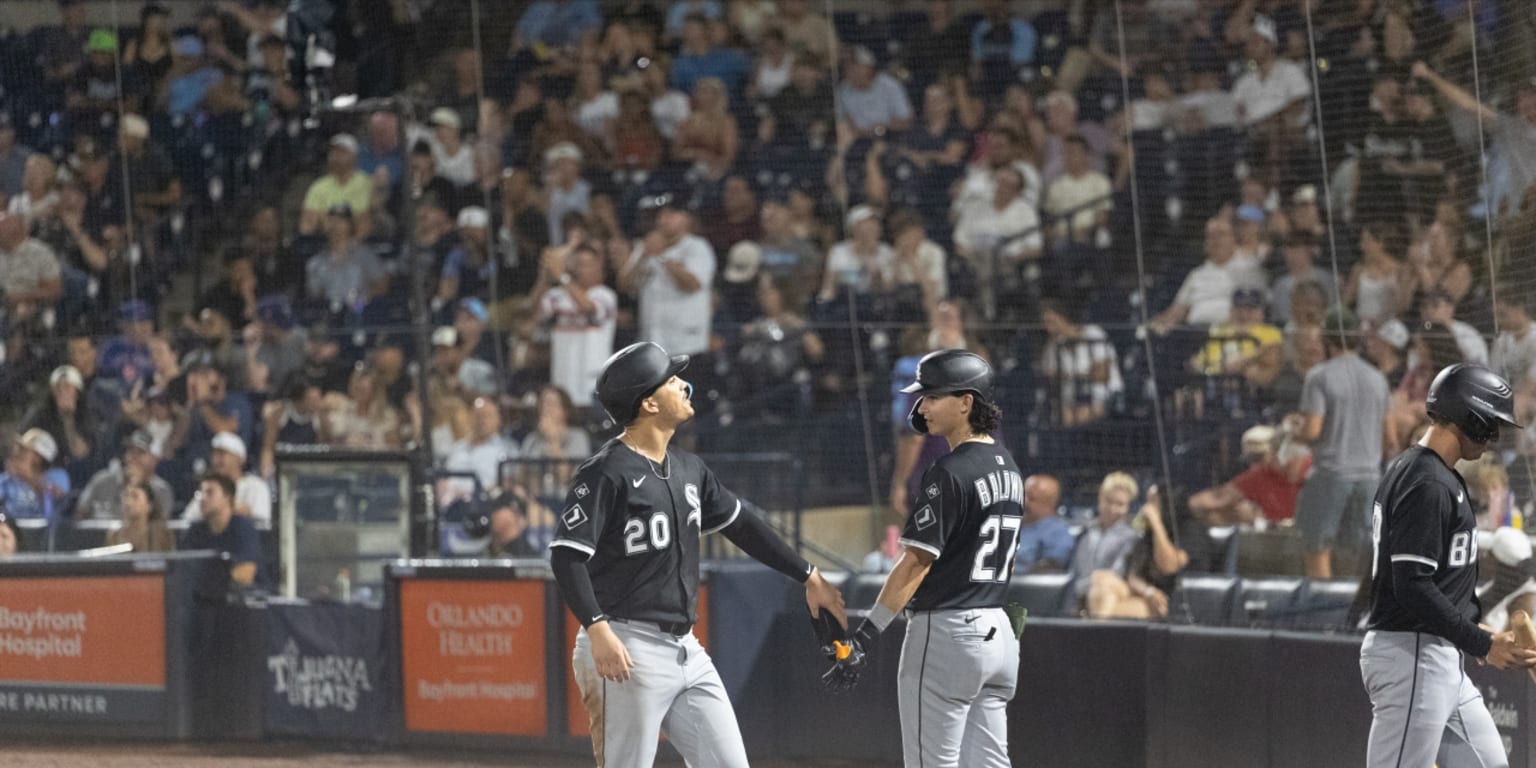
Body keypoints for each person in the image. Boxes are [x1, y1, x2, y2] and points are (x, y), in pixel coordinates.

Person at [551, 341, 846, 768]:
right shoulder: (604, 472)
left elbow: (742, 525)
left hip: (685, 647)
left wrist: (809, 575)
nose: (684, 386)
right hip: (626, 644)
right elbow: (566, 556)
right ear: (649, 403)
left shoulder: (689, 468)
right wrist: (597, 629)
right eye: (672, 381)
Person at [820, 350, 1021, 768]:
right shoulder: (1011, 468)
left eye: (932, 397)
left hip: (949, 632)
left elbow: (914, 564)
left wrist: (864, 636)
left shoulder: (952, 470)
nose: (921, 406)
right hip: (999, 633)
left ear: (966, 402)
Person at [1362, 363, 1536, 766]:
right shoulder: (1427, 481)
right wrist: (1481, 642)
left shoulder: (1429, 473)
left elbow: (1439, 583)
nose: (1493, 437)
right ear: (1469, 416)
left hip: (1436, 654)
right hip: (1412, 652)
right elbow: (1412, 584)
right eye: (1490, 423)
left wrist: (1478, 631)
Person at [1292, 308, 1394, 579]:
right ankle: (1350, 615)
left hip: (1330, 475)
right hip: (1370, 479)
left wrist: (1292, 432)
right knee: (1357, 554)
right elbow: (1391, 441)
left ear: (1327, 339)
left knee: (1317, 548)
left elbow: (1312, 430)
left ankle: (1322, 615)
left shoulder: (1319, 375)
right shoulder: (1378, 378)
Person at [1066, 472, 1143, 606]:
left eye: (1120, 504)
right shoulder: (1086, 533)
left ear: (1128, 507)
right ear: (1099, 500)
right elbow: (1074, 572)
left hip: (1107, 600)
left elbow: (1116, 574)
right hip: (1075, 600)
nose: (1112, 509)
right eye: (1108, 501)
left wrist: (1084, 588)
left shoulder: (1132, 538)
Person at [182, 473, 265, 592]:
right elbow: (183, 572)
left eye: (210, 492)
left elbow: (246, 574)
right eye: (201, 492)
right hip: (206, 601)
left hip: (244, 603)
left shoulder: (243, 528)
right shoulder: (196, 531)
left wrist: (207, 580)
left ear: (228, 497)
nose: (202, 498)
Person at [74, 430, 175, 521]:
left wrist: (141, 483)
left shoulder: (161, 490)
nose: (134, 457)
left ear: (155, 459)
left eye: (141, 452)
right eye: (131, 451)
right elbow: (80, 515)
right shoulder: (102, 481)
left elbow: (158, 528)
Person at [182, 432, 272, 526]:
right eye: (215, 454)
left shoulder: (255, 486)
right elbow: (187, 520)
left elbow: (263, 524)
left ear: (240, 458)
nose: (217, 459)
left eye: (223, 454)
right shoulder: (208, 487)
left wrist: (243, 513)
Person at [1015, 474, 1074, 574]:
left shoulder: (1057, 532)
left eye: (1031, 498)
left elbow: (1052, 565)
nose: (1023, 501)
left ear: (1049, 503)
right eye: (1022, 495)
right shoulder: (1011, 525)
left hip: (1023, 586)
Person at [105, 480, 176, 553]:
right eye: (126, 495)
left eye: (135, 496)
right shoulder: (115, 535)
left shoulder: (162, 533)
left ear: (149, 505)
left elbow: (169, 562)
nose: (128, 502)